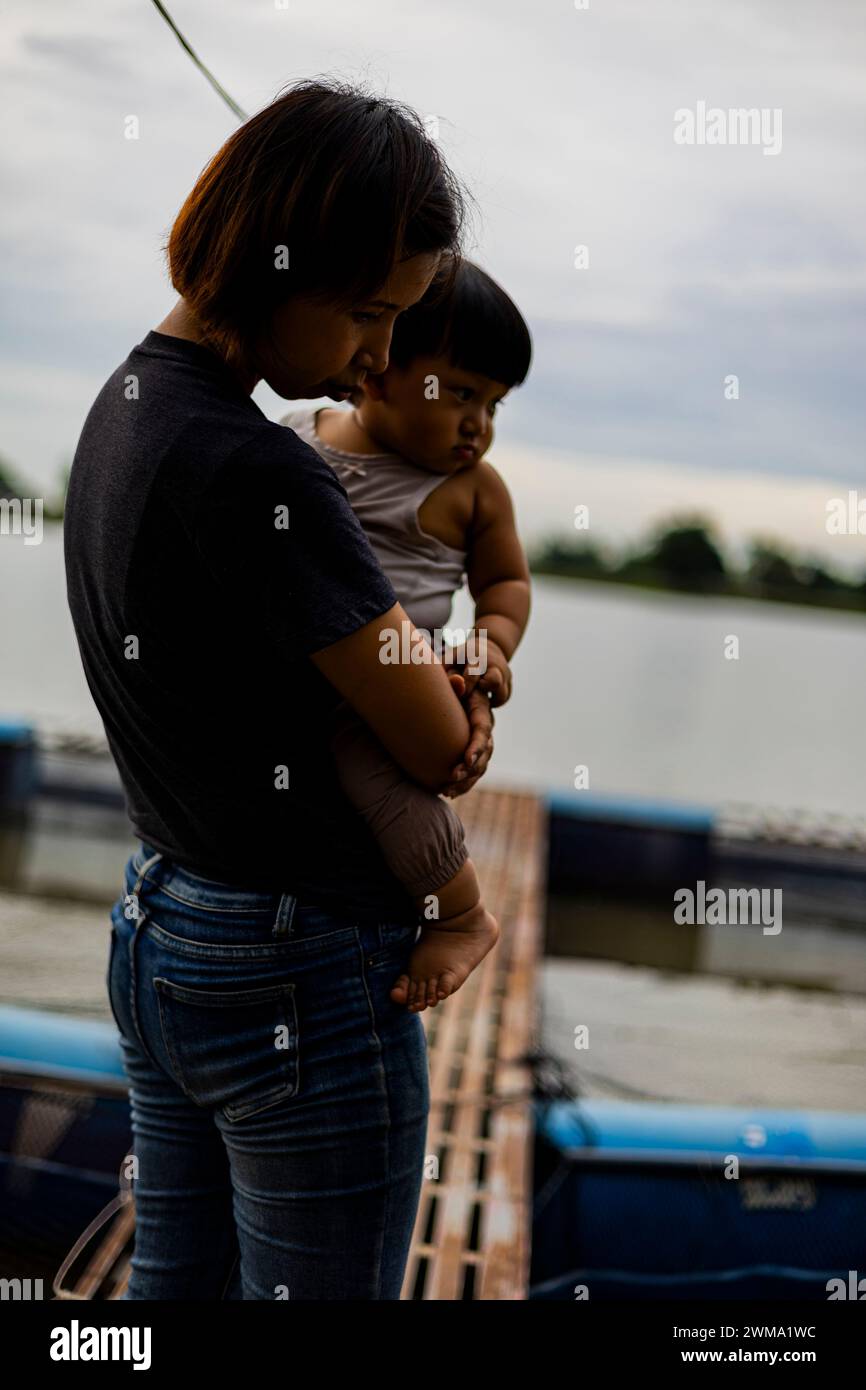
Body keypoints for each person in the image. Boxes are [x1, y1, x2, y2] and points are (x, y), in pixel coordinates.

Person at [63, 78, 494, 1301]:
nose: (379, 358)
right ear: (273, 260)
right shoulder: (265, 470)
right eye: (367, 313)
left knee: (169, 1293)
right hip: (294, 965)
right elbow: (423, 736)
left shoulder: (124, 407)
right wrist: (457, 701)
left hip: (162, 922)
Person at [280, 258, 532, 1013]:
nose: (477, 425)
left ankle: (459, 913)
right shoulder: (298, 437)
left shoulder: (471, 489)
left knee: (380, 784)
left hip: (386, 686)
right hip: (287, 668)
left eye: (493, 404)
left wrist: (489, 643)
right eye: (459, 393)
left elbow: (506, 585)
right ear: (377, 369)